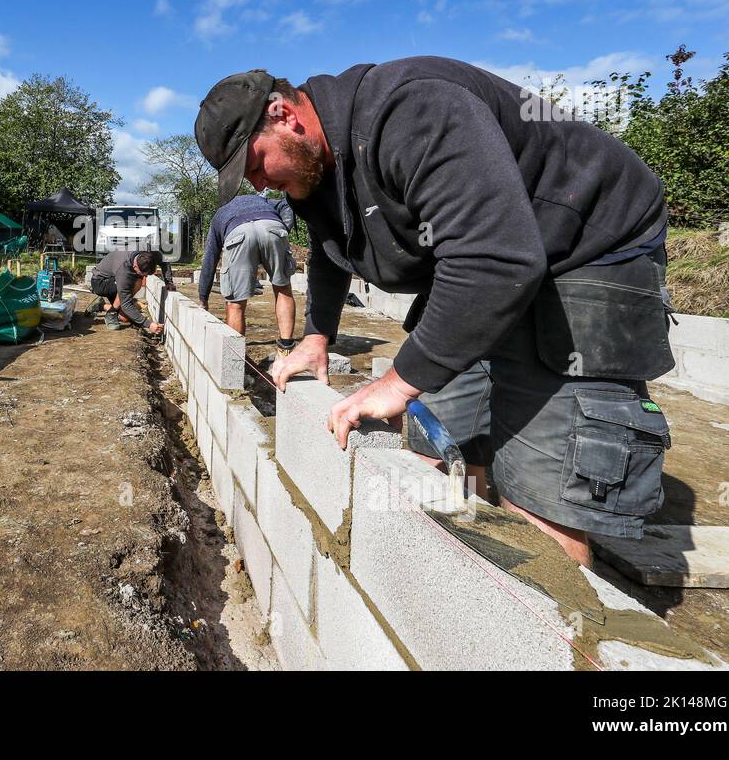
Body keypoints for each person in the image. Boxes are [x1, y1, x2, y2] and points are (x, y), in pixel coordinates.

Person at [193, 59, 674, 566]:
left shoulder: (412, 109)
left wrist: (399, 382)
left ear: (283, 114)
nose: (261, 187)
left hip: (582, 253)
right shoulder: (320, 164)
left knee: (538, 495)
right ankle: (469, 567)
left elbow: (496, 258)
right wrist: (317, 335)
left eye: (255, 165)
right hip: (486, 267)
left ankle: (541, 612)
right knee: (435, 452)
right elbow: (332, 244)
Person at [197, 193, 297, 354]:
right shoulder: (262, 200)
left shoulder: (220, 214)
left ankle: (234, 360)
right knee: (283, 288)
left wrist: (203, 298)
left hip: (238, 233)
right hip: (272, 227)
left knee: (236, 302)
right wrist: (283, 229)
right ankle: (286, 349)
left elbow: (210, 258)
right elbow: (287, 204)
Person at [89, 249, 173, 334]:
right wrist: (149, 324)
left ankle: (100, 305)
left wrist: (168, 282)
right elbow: (126, 305)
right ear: (135, 267)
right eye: (143, 274)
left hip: (115, 279)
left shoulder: (149, 255)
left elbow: (164, 261)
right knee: (137, 282)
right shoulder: (123, 272)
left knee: (125, 318)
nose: (146, 276)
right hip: (100, 282)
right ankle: (111, 313)